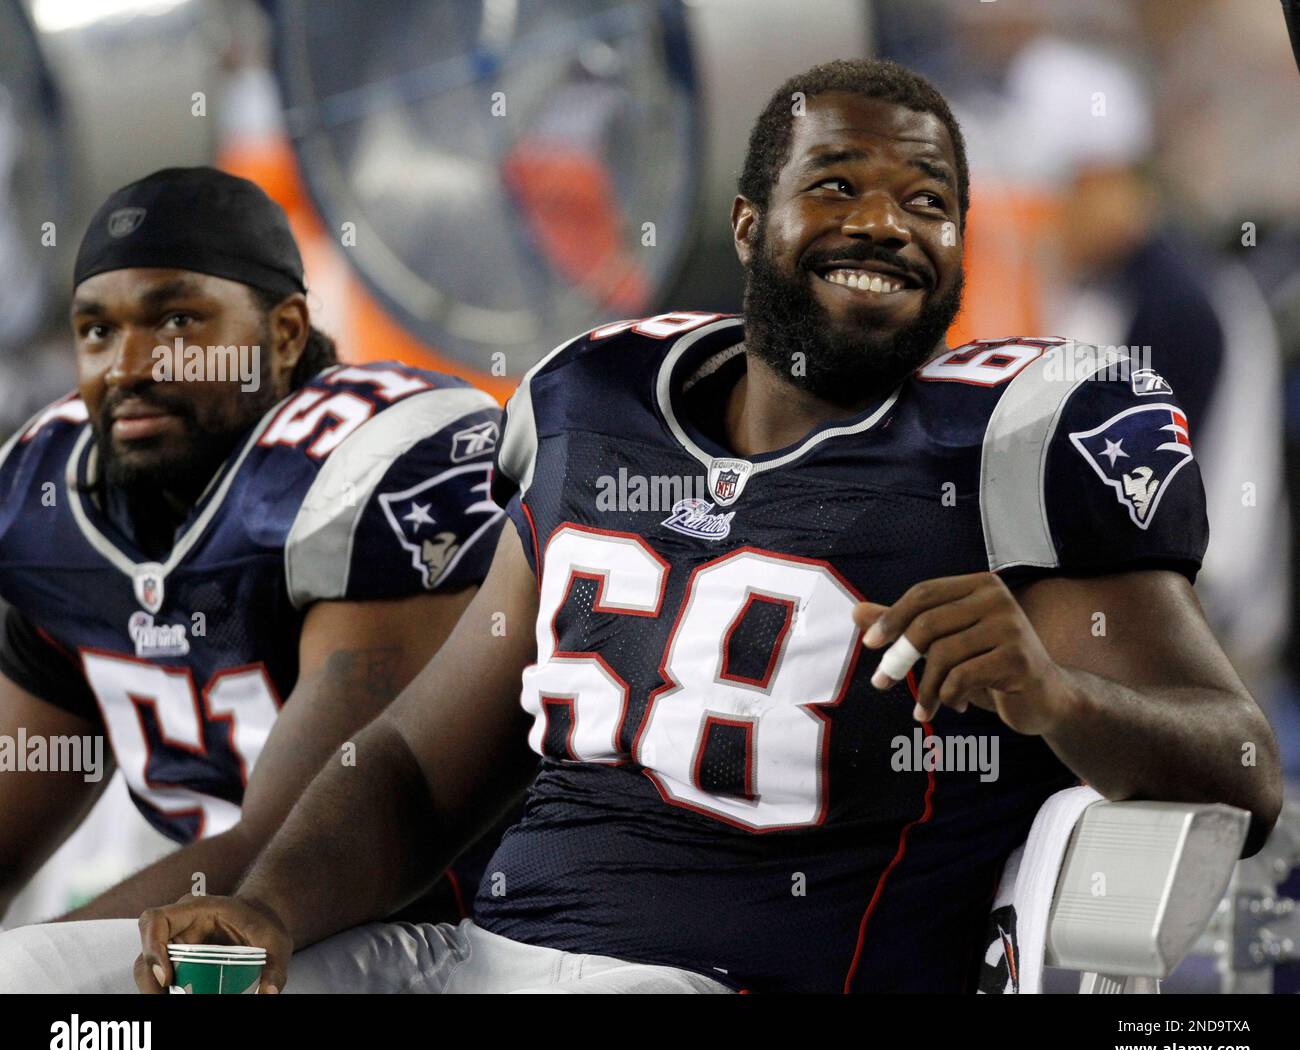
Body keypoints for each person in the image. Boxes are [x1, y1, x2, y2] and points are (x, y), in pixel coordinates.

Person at [41, 59, 1286, 994]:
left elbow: (1244, 768)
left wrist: (1059, 696)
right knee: (59, 996)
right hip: (479, 958)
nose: (887, 223)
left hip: (728, 977)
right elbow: (420, 769)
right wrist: (266, 907)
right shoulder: (594, 402)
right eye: (838, 185)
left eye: (928, 200)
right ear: (748, 225)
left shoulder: (1009, 450)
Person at [0, 168, 505, 965]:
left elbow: (297, 846)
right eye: (96, 331)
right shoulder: (53, 500)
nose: (128, 365)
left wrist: (42, 963)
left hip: (449, 930)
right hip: (231, 938)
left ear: (284, 333)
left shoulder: (368, 468)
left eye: (175, 321)